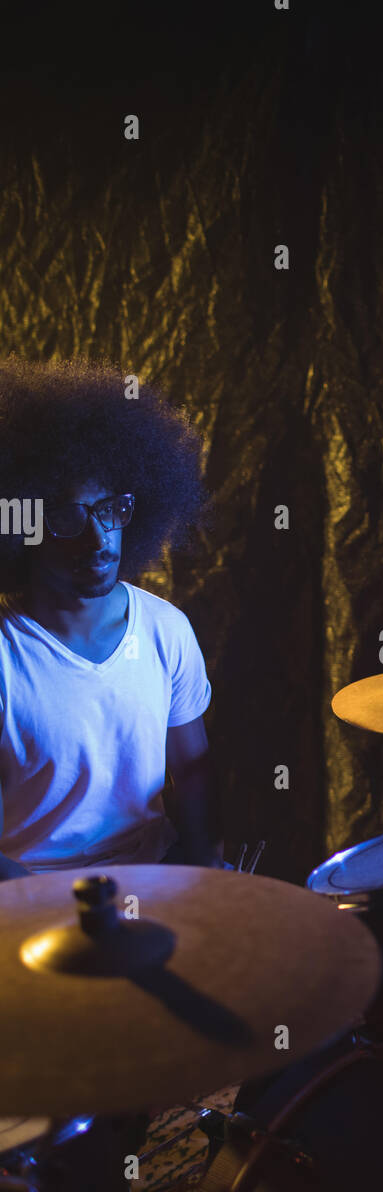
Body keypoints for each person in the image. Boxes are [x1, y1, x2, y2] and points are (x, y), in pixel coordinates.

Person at [0, 355, 223, 879]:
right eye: (67, 516)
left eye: (111, 510)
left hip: (154, 876)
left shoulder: (166, 630)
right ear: (22, 528)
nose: (98, 539)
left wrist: (208, 868)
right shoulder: (8, 656)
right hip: (31, 898)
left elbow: (191, 772)